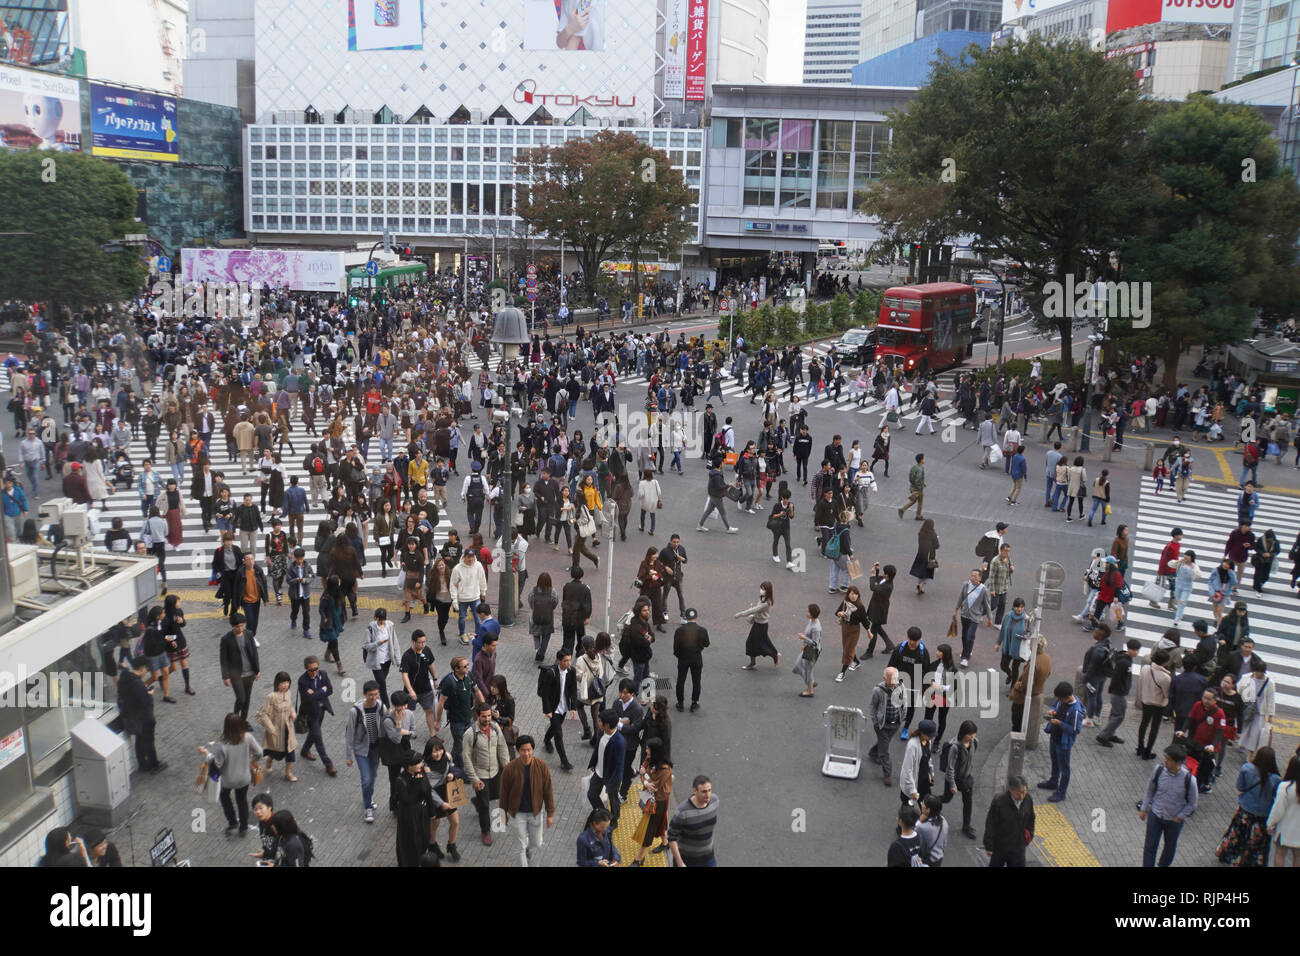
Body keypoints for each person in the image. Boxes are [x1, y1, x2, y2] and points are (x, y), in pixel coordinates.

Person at [198, 712, 265, 836]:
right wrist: (251, 761)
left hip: (228, 780)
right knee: (242, 800)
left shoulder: (223, 745)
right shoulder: (248, 738)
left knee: (225, 798)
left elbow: (217, 764)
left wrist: (207, 753)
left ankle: (233, 821)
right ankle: (244, 827)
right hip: (244, 778)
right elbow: (260, 752)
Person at [1216, 746, 1281, 866]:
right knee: (1256, 842)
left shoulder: (1247, 769)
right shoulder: (1276, 779)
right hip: (1262, 816)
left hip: (1245, 810)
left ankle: (1228, 855)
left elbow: (1240, 787)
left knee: (1237, 835)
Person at [499, 735, 556, 867]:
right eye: (523, 750)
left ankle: (527, 847)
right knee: (519, 847)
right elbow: (504, 793)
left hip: (535, 812)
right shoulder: (509, 769)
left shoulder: (541, 766)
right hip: (517, 813)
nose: (526, 753)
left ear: (533, 750)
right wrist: (503, 814)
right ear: (518, 751)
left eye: (529, 750)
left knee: (537, 842)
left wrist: (550, 813)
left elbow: (548, 790)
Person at [1138, 744, 1197, 867]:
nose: (1165, 761)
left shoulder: (1189, 780)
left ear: (1177, 762)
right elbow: (1150, 789)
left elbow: (1192, 803)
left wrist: (1180, 816)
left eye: (1169, 759)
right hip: (1155, 815)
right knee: (1150, 846)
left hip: (1174, 820)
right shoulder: (1158, 771)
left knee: (1169, 847)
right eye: (1166, 757)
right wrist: (1144, 808)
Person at [463, 701, 511, 846]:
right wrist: (474, 779)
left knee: (496, 795)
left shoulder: (496, 728)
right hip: (480, 774)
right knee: (485, 806)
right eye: (484, 716)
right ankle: (485, 831)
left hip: (495, 771)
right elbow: (466, 759)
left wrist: (507, 768)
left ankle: (477, 800)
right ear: (477, 716)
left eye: (489, 716)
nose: (487, 719)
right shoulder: (470, 734)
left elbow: (502, 748)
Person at [344, 681, 388, 824]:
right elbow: (349, 733)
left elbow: (387, 723)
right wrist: (348, 755)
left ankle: (368, 798)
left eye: (376, 694)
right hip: (361, 749)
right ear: (364, 694)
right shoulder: (355, 711)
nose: (373, 698)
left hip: (376, 748)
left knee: (373, 776)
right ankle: (367, 807)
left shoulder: (381, 706)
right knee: (367, 779)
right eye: (370, 695)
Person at [1037, 681, 1085, 803]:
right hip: (1054, 737)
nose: (1058, 700)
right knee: (1054, 761)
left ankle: (1061, 793)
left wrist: (1060, 723)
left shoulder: (1075, 711)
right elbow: (1055, 705)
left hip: (1064, 743)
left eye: (1060, 698)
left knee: (1064, 768)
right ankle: (1053, 781)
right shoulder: (1061, 700)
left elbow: (1075, 730)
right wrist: (1052, 711)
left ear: (1068, 696)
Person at [117, 655, 164, 774]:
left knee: (139, 741)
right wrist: (149, 693)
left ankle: (142, 764)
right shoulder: (137, 684)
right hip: (143, 718)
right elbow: (145, 702)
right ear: (142, 668)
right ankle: (154, 764)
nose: (146, 672)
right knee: (149, 741)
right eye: (146, 669)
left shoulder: (124, 678)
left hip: (131, 716)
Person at [393, 752, 440, 867]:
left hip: (422, 813)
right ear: (409, 765)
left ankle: (423, 860)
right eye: (418, 762)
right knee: (410, 842)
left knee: (424, 837)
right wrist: (415, 784)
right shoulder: (400, 781)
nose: (421, 764)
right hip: (408, 816)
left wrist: (432, 812)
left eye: (421, 761)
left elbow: (427, 791)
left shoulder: (420, 772)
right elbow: (408, 801)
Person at [421, 737, 462, 863]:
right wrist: (441, 803)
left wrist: (452, 774)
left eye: (439, 750)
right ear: (429, 752)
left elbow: (456, 768)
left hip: (448, 792)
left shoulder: (447, 757)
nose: (438, 753)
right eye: (434, 751)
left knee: (455, 822)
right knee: (435, 823)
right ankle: (432, 845)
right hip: (434, 797)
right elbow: (429, 789)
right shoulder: (425, 766)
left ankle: (452, 845)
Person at [538, 649, 579, 771]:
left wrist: (573, 707)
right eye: (565, 660)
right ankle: (564, 762)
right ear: (559, 661)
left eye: (569, 660)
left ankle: (546, 739)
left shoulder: (571, 671)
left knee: (556, 726)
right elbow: (545, 694)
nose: (568, 663)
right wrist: (547, 710)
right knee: (558, 734)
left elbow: (573, 690)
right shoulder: (551, 673)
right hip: (553, 707)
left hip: (563, 706)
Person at [254, 672, 299, 783]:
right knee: (275, 753)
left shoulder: (288, 693)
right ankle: (269, 760)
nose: (285, 685)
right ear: (277, 683)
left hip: (288, 730)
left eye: (287, 682)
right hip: (276, 730)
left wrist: (293, 713)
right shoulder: (271, 697)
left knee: (291, 754)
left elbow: (290, 706)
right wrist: (271, 729)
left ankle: (288, 773)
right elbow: (263, 714)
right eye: (282, 683)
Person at [667, 774, 719, 867]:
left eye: (709, 790)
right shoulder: (682, 812)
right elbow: (671, 838)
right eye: (703, 792)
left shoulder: (714, 801)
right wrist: (680, 863)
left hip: (708, 858)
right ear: (695, 791)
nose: (708, 795)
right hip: (687, 861)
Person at [297, 655, 336, 776]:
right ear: (305, 669)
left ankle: (304, 751)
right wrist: (322, 691)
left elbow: (330, 690)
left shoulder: (323, 674)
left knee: (314, 734)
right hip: (310, 713)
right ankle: (328, 764)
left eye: (316, 669)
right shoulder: (302, 681)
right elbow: (309, 698)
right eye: (311, 670)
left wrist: (317, 693)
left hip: (321, 710)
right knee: (318, 738)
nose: (314, 672)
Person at [868, 666, 908, 787]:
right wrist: (875, 722)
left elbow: (904, 702)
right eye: (889, 681)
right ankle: (887, 773)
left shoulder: (901, 687)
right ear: (884, 678)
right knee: (884, 751)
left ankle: (873, 752)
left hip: (895, 724)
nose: (892, 684)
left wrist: (903, 716)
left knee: (883, 743)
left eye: (894, 681)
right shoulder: (878, 690)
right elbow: (872, 707)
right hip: (882, 725)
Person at [983, 775, 1035, 867]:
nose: (1022, 796)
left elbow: (1031, 818)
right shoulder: (999, 801)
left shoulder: (1028, 799)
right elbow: (991, 823)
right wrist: (989, 845)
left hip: (1018, 847)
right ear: (1011, 790)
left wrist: (1029, 835)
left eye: (1024, 792)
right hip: (1000, 847)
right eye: (1019, 793)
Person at [587, 708, 626, 828]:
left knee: (613, 800)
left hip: (611, 777)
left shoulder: (619, 742)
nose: (598, 723)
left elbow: (619, 767)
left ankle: (613, 820)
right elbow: (597, 749)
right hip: (599, 772)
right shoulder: (601, 732)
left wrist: (612, 785)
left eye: (600, 721)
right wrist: (593, 763)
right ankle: (603, 815)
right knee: (592, 795)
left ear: (607, 725)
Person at [436, 656, 476, 770]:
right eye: (465, 666)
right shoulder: (449, 682)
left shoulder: (469, 675)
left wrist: (484, 708)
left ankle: (451, 761)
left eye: (467, 665)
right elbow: (441, 703)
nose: (468, 667)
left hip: (469, 718)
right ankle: (460, 769)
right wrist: (438, 721)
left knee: (467, 743)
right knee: (460, 745)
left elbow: (477, 691)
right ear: (456, 669)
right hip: (456, 721)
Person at [218, 612, 260, 722]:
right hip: (236, 674)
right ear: (232, 626)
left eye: (242, 625)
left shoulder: (249, 634)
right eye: (237, 626)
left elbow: (254, 653)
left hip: (250, 673)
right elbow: (223, 659)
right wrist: (225, 676)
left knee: (247, 700)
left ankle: (243, 721)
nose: (240, 628)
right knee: (241, 698)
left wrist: (257, 670)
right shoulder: (226, 639)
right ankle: (234, 720)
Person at [943, 720, 979, 839]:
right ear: (964, 733)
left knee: (968, 802)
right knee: (946, 798)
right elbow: (950, 767)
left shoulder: (974, 743)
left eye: (974, 734)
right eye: (971, 734)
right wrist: (952, 784)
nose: (973, 737)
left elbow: (970, 760)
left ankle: (966, 826)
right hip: (954, 779)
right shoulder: (955, 747)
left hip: (966, 779)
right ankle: (929, 803)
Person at [1136, 648, 1173, 759]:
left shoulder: (1145, 668)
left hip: (1146, 700)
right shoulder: (1166, 677)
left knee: (1144, 723)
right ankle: (1148, 751)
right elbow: (1166, 694)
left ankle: (1140, 747)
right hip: (1158, 704)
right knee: (1154, 727)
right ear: (1165, 662)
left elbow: (1141, 683)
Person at [1011, 635, 1051, 733]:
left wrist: (1017, 685)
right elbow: (1048, 674)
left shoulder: (1034, 663)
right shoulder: (1046, 658)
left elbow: (1025, 684)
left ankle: (1017, 738)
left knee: (1017, 718)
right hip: (1038, 691)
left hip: (1024, 697)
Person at [1266, 755, 1300, 868]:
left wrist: (1270, 823)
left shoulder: (1285, 787)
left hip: (1284, 829)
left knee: (1280, 854)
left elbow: (1278, 809)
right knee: (1298, 857)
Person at [672, 607, 709, 711]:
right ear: (696, 617)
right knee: (696, 681)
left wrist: (679, 655)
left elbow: (676, 647)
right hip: (696, 657)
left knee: (681, 680)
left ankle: (680, 703)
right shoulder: (702, 630)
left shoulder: (679, 630)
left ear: (686, 617)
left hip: (683, 658)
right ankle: (694, 702)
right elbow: (706, 644)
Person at [736, 580, 779, 669]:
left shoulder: (767, 602)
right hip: (759, 624)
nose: (761, 590)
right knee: (763, 642)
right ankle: (774, 655)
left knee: (752, 643)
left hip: (761, 625)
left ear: (768, 590)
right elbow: (757, 609)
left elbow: (754, 610)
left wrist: (740, 614)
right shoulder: (763, 598)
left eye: (763, 589)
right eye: (761, 588)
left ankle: (756, 662)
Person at [362, 606, 399, 707]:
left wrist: (397, 659)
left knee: (379, 684)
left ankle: (372, 694)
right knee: (382, 685)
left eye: (383, 620)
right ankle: (387, 706)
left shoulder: (390, 626)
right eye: (380, 620)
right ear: (375, 618)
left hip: (387, 660)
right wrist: (378, 643)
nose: (382, 622)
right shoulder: (370, 629)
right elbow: (366, 646)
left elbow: (395, 642)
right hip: (376, 662)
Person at [900, 718, 937, 808]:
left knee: (927, 807)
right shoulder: (912, 745)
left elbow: (928, 759)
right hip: (913, 783)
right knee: (908, 813)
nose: (932, 737)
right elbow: (907, 770)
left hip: (924, 781)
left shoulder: (928, 741)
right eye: (930, 735)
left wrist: (931, 774)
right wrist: (912, 790)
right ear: (923, 733)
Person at [792, 603, 822, 698]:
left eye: (808, 611)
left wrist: (804, 638)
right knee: (798, 665)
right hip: (807, 648)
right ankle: (810, 682)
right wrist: (804, 644)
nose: (807, 612)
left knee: (808, 670)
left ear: (812, 614)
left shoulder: (816, 628)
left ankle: (810, 690)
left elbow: (815, 643)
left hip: (812, 651)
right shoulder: (811, 621)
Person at [916, 794, 950, 867]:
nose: (921, 804)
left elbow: (914, 837)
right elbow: (944, 843)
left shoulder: (921, 826)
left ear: (928, 810)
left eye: (923, 803)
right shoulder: (944, 821)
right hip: (939, 858)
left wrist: (919, 820)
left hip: (926, 860)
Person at [909, 518, 939, 596]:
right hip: (930, 556)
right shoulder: (933, 534)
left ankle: (920, 586)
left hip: (921, 554)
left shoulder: (921, 533)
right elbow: (937, 545)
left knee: (920, 571)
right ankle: (921, 585)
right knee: (928, 573)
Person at [897, 452, 926, 519]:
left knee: (914, 500)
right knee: (920, 502)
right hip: (918, 489)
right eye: (924, 459)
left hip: (912, 486)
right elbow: (918, 479)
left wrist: (922, 483)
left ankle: (903, 510)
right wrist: (920, 487)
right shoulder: (920, 469)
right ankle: (917, 515)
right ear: (921, 460)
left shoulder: (914, 467)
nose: (925, 460)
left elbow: (912, 477)